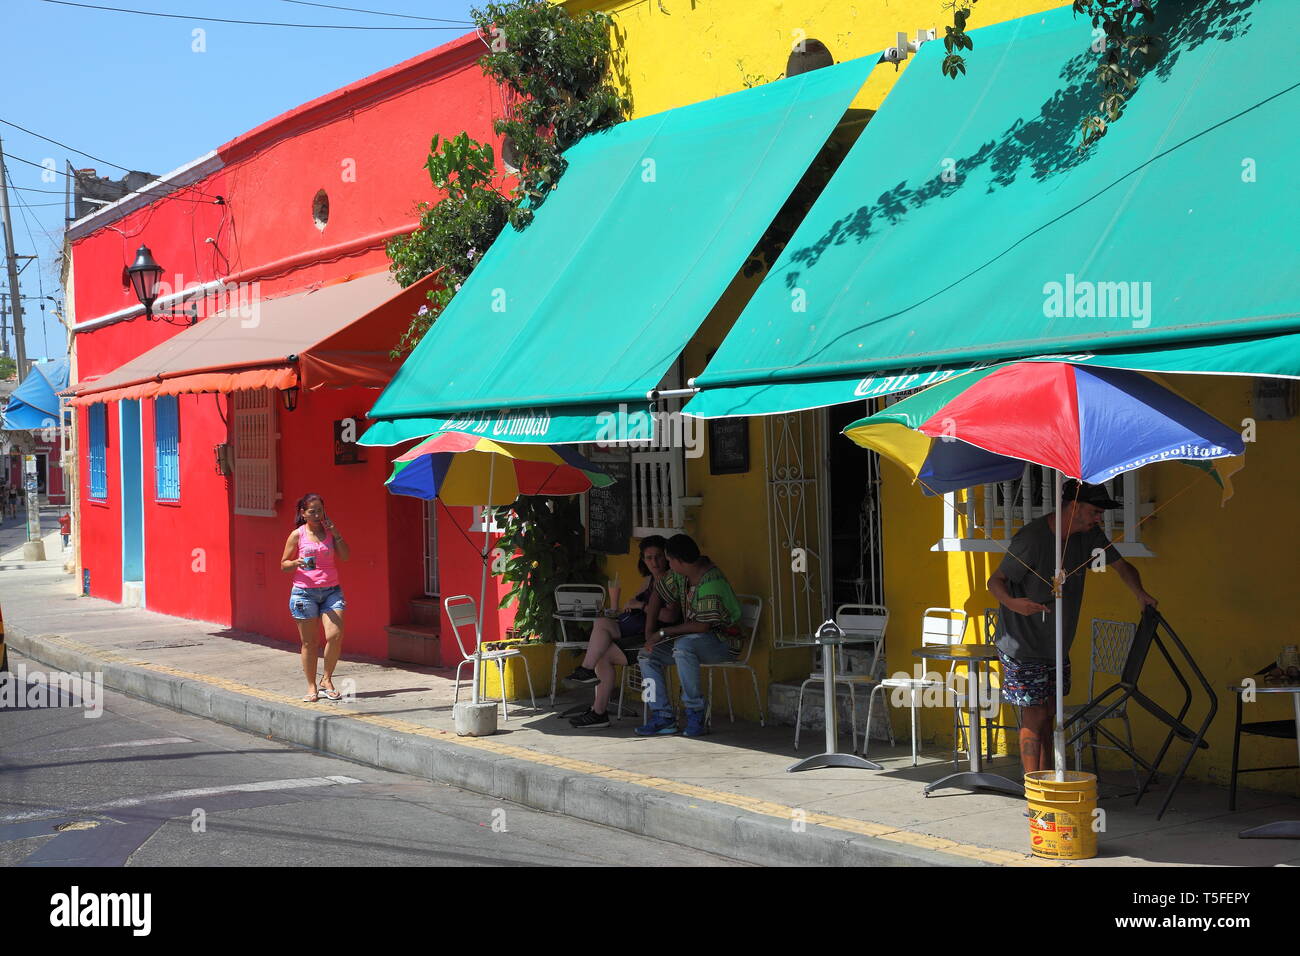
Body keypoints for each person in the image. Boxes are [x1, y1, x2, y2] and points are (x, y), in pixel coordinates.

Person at [987, 479, 1157, 774]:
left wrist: (1140, 594)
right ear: (1074, 507)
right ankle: (1034, 788)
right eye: (1094, 511)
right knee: (1035, 714)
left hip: (1056, 643)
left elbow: (1123, 567)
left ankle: (1050, 782)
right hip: (1022, 643)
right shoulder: (1032, 540)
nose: (1098, 518)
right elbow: (995, 581)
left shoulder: (1088, 536)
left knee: (1051, 713)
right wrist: (1014, 604)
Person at [635, 533, 744, 738]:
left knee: (683, 647)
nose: (666, 564)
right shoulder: (681, 574)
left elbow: (703, 626)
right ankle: (662, 716)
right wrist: (649, 633)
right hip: (693, 641)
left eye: (668, 560)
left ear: (678, 561)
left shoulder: (712, 582)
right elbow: (658, 593)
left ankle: (695, 713)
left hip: (722, 643)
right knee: (646, 654)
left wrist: (662, 632)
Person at [566, 536, 679, 730]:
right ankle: (593, 695)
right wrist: (629, 605)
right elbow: (633, 603)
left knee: (603, 653)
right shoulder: (649, 580)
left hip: (653, 637)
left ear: (667, 557)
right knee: (601, 624)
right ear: (643, 560)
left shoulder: (671, 582)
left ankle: (596, 705)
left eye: (658, 557)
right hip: (632, 630)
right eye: (649, 558)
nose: (654, 562)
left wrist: (640, 605)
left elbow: (670, 616)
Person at [280, 493, 350, 702]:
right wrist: (296, 562)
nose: (317, 514)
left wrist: (336, 532)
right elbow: (283, 564)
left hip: (331, 591)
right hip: (304, 593)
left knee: (335, 636)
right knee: (310, 642)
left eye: (320, 510)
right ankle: (311, 686)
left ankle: (326, 679)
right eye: (312, 511)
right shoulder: (297, 535)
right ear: (303, 513)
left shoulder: (329, 533)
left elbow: (345, 556)